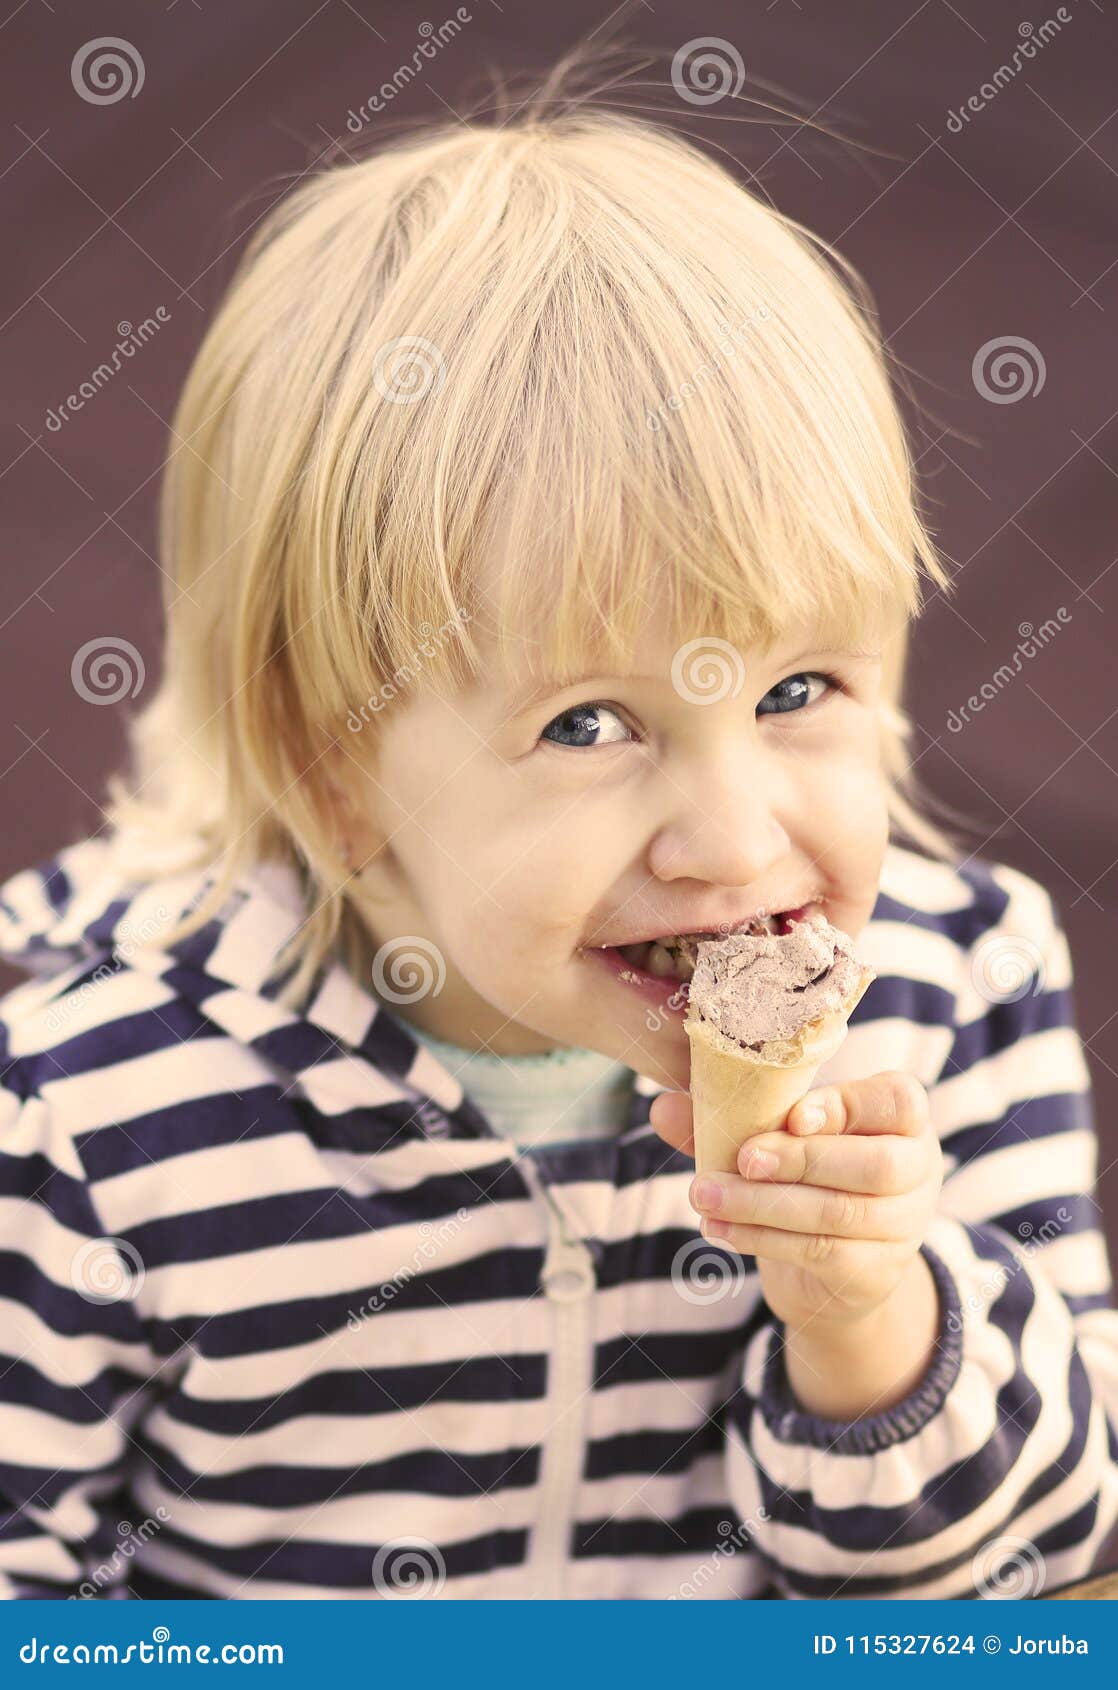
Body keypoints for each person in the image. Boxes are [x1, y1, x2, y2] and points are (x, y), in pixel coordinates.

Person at [1, 83, 1115, 1601]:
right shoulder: (91, 1092)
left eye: (798, 689)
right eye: (591, 724)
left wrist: (868, 1317)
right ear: (331, 768)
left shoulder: (954, 984)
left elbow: (1036, 1586)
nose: (732, 843)